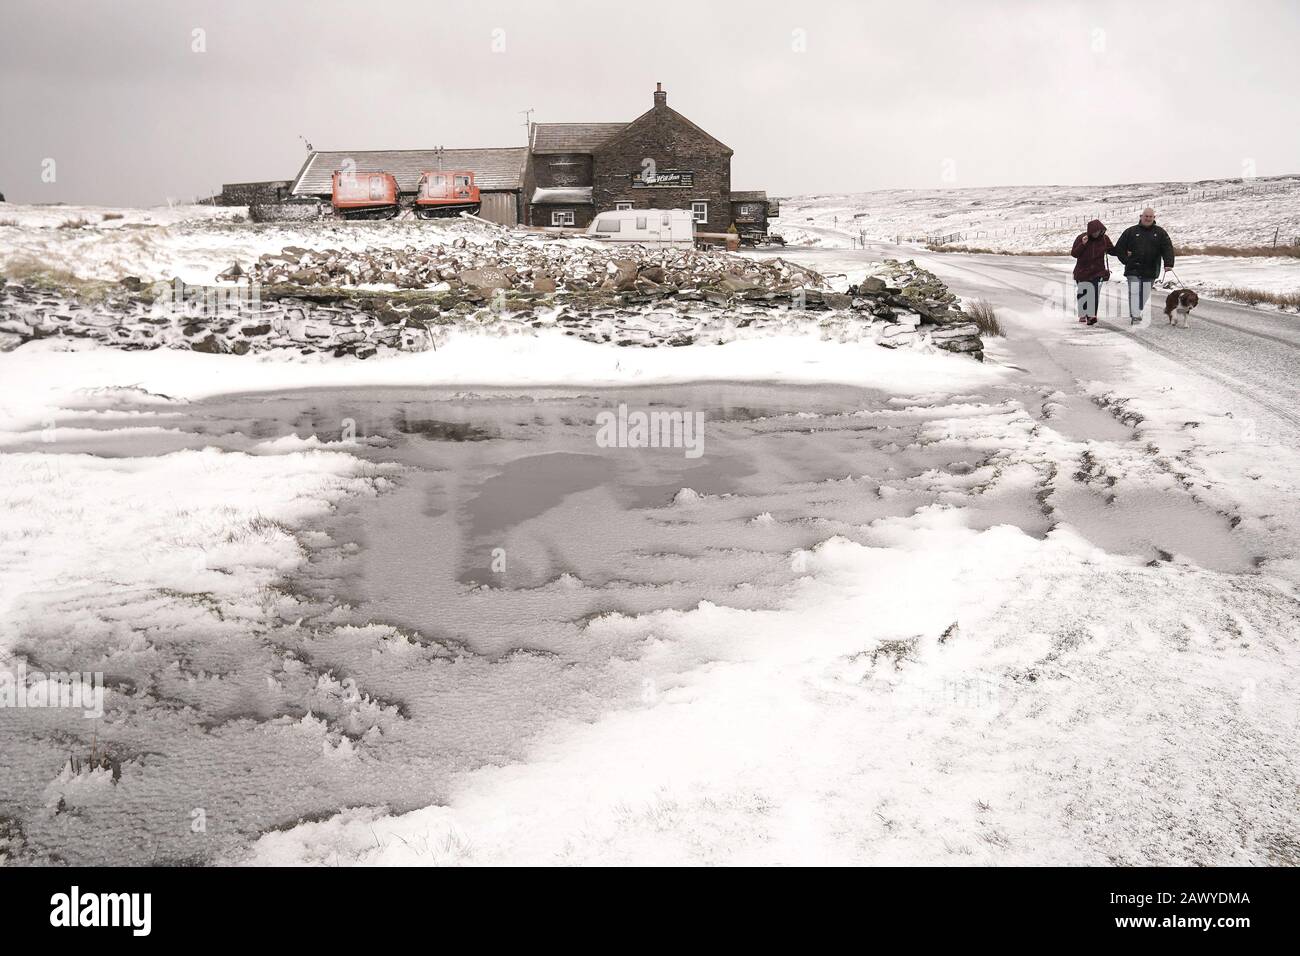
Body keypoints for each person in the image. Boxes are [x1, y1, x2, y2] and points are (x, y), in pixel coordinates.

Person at [1113, 207, 1174, 324]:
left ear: (1154, 218)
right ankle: (1135, 315)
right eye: (1146, 216)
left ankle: (1138, 310)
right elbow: (1119, 248)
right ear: (1141, 217)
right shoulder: (1130, 231)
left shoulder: (1160, 233)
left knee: (1145, 293)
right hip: (1133, 268)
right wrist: (1126, 260)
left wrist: (1168, 263)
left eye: (1150, 216)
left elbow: (1167, 248)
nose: (1148, 218)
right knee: (1134, 290)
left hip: (1151, 269)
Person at [1070, 219, 1113, 326]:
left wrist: (1125, 253)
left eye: (1098, 231)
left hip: (1097, 271)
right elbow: (1074, 253)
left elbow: (1112, 250)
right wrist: (1083, 244)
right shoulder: (1081, 238)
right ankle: (1083, 312)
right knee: (1083, 293)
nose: (1096, 233)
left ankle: (1091, 316)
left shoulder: (1104, 239)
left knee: (1093, 293)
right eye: (1094, 232)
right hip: (1082, 271)